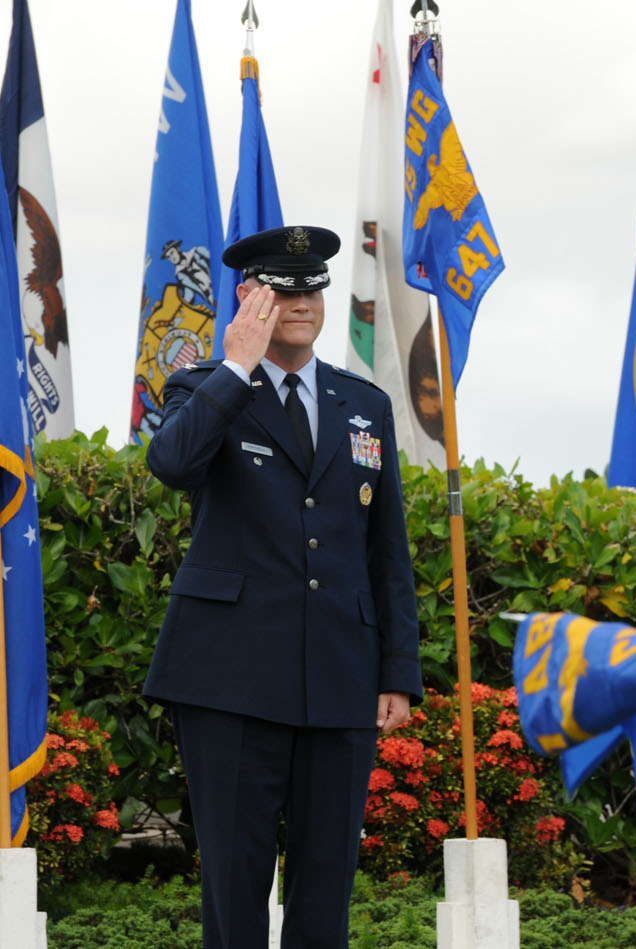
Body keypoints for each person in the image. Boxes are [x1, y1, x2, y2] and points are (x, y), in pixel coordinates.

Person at [144, 225, 423, 947]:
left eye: (311, 288)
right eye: (280, 288)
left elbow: (386, 550)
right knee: (235, 887)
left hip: (338, 674)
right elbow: (173, 464)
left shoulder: (362, 405)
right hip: (228, 676)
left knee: (325, 885)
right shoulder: (203, 387)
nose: (299, 302)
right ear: (247, 296)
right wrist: (236, 368)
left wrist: (397, 671)